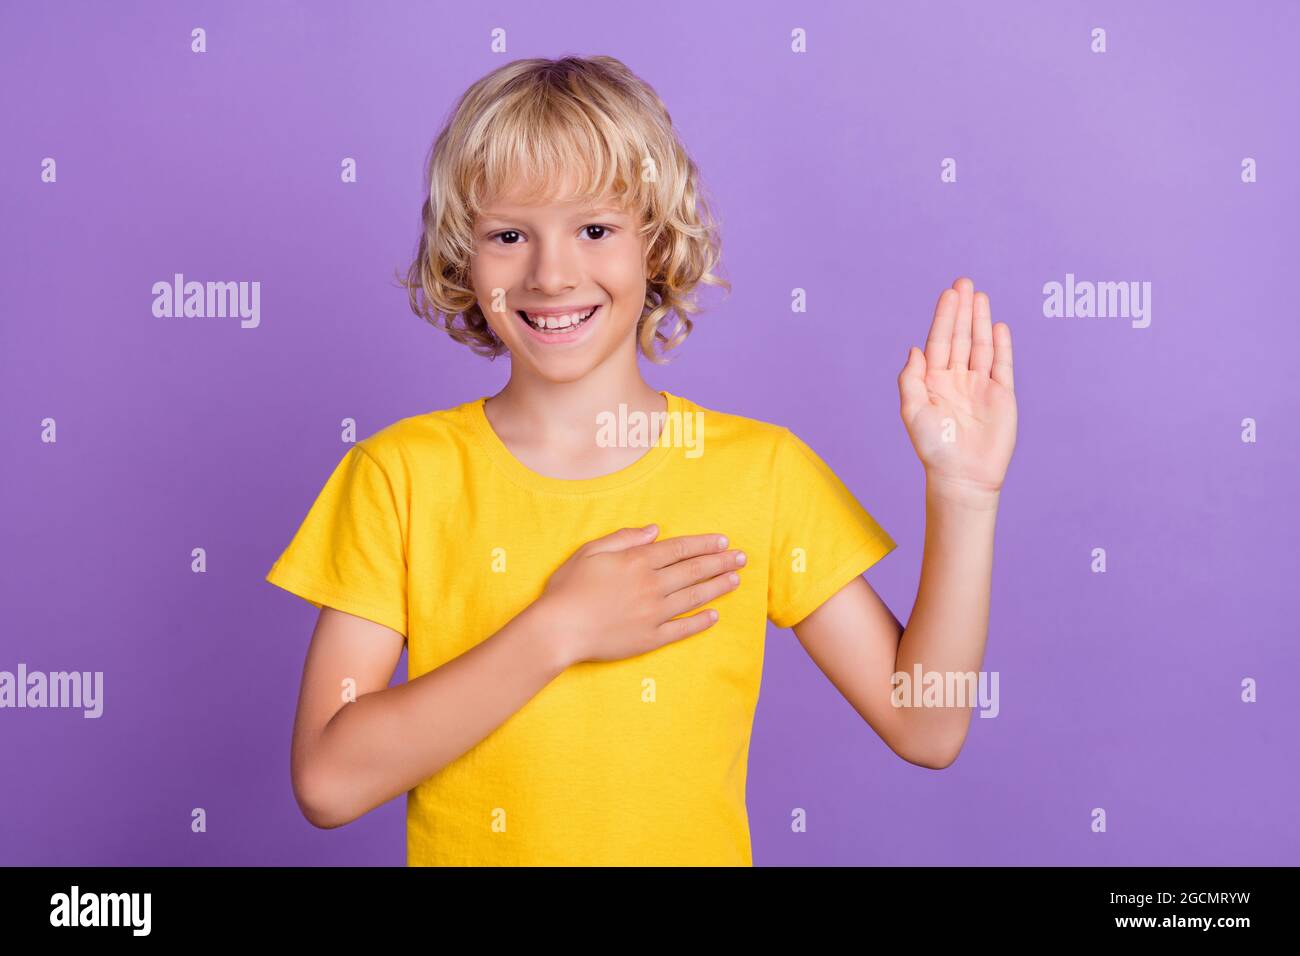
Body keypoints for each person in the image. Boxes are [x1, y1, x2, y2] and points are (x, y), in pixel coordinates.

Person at [265, 55, 1018, 866]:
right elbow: (328, 781)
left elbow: (927, 725)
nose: (552, 274)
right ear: (464, 256)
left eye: (595, 229)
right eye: (509, 234)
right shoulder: (400, 476)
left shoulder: (760, 472)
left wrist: (964, 495)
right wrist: (559, 630)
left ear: (655, 244)